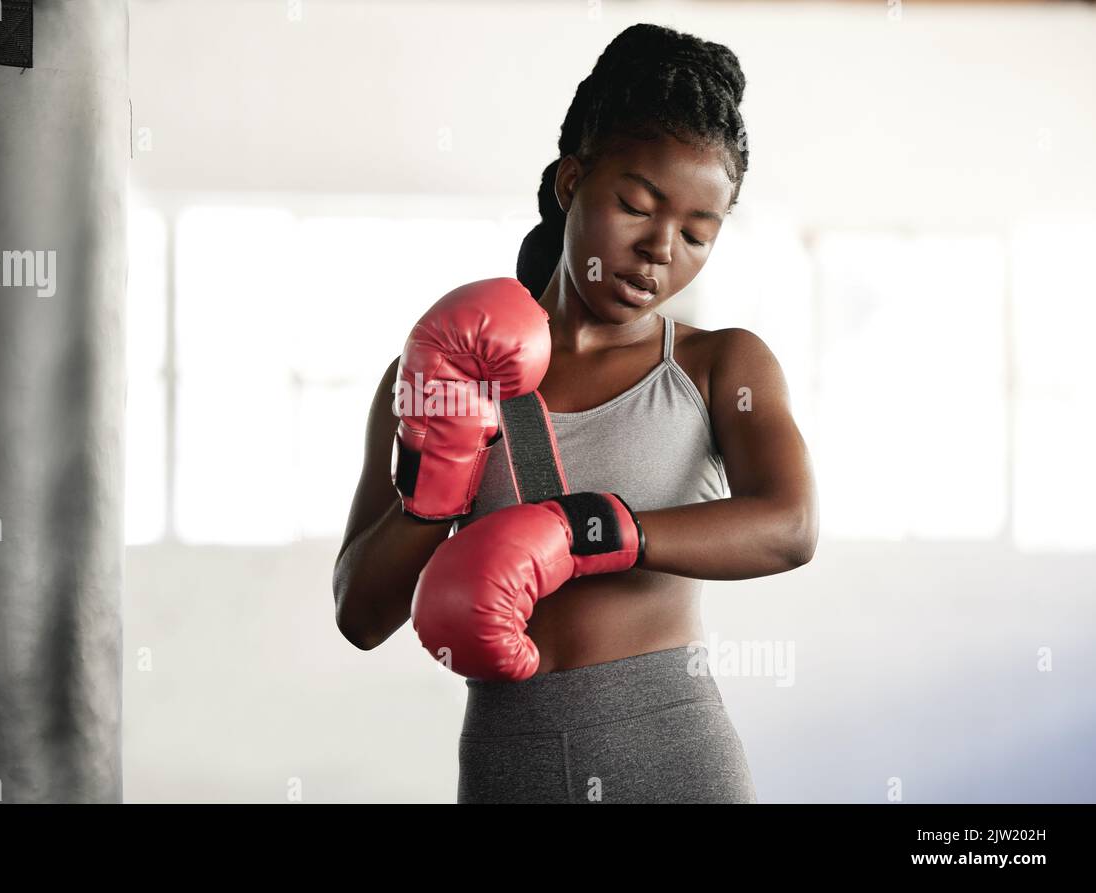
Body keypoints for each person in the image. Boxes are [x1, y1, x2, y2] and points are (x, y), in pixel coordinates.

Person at [332, 23, 818, 804]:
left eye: (698, 232)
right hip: (504, 757)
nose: (663, 250)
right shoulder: (441, 373)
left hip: (671, 752)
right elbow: (360, 612)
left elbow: (791, 525)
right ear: (570, 183)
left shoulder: (718, 363)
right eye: (636, 205)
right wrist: (436, 482)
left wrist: (590, 528)